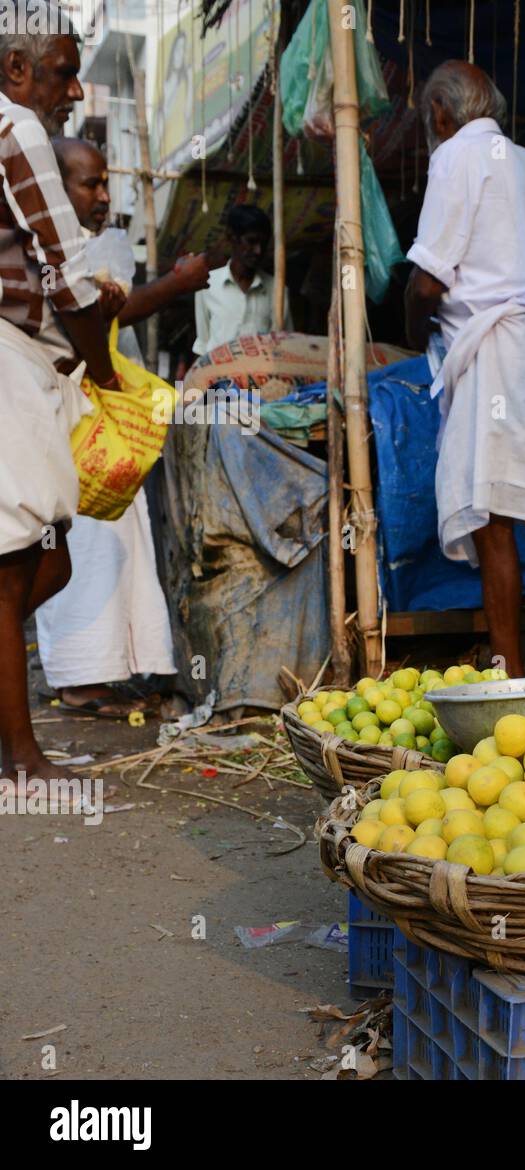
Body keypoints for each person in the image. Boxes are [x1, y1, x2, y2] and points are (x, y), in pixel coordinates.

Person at [404, 61, 525, 677]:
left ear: (440, 115)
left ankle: (508, 672)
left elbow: (429, 281)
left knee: (491, 518)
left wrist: (417, 340)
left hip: (501, 350)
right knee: (516, 511)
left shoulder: (455, 157)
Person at [34, 137, 209, 716]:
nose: (105, 195)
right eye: (91, 184)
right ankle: (79, 677)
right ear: (57, 189)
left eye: (106, 182)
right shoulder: (50, 251)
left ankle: (109, 669)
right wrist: (175, 286)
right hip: (70, 419)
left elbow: (105, 312)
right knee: (81, 546)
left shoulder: (89, 247)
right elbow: (83, 322)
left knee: (116, 542)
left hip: (100, 422)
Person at [0, 6, 116, 785]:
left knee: (48, 562)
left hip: (21, 357)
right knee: (14, 569)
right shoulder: (17, 130)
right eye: (62, 71)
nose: (74, 89)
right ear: (16, 70)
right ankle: (23, 759)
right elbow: (63, 263)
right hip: (9, 357)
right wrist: (104, 363)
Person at [193, 204, 288, 356]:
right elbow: (203, 346)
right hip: (217, 377)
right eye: (251, 241)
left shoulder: (277, 290)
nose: (258, 251)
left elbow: (286, 345)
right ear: (231, 238)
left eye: (263, 244)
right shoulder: (208, 285)